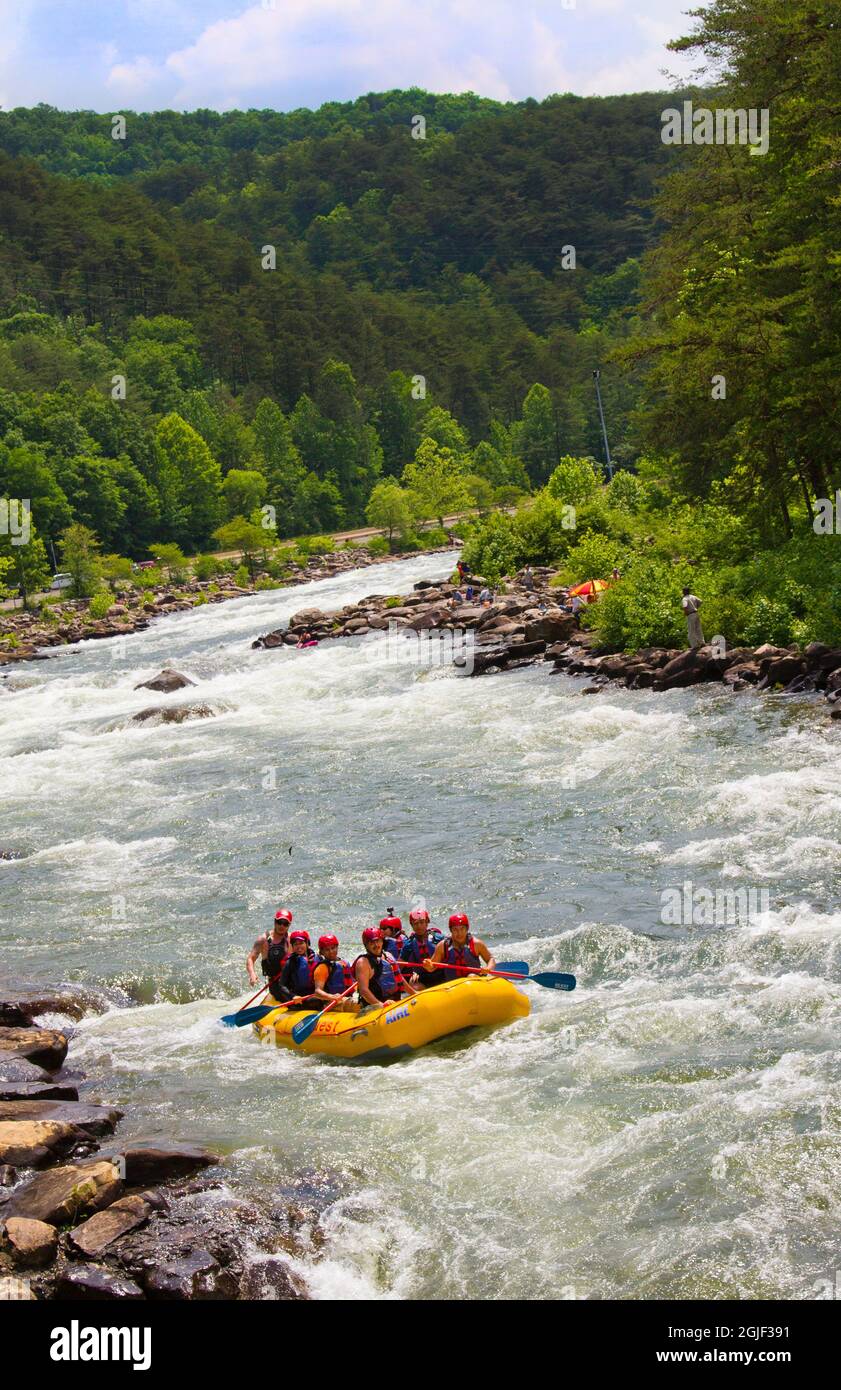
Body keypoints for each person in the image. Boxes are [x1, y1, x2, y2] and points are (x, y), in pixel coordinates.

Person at [423, 913, 496, 984]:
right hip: (454, 986)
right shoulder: (442, 946)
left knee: (471, 976)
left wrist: (488, 968)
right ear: (451, 930)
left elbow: (490, 959)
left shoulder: (476, 944)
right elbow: (432, 967)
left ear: (467, 929)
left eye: (462, 929)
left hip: (474, 981)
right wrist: (428, 965)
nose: (459, 933)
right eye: (455, 929)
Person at [354, 927, 415, 1008]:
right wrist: (381, 1005)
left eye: (378, 941)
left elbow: (400, 980)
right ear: (366, 945)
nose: (376, 945)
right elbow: (363, 991)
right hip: (374, 1007)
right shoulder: (363, 963)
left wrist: (414, 994)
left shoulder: (388, 956)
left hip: (394, 1002)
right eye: (372, 942)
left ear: (382, 941)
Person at [246, 908, 293, 990]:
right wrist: (252, 974)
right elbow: (250, 959)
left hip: (291, 979)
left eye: (285, 924)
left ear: (289, 925)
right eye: (279, 922)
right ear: (275, 922)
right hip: (274, 982)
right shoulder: (263, 940)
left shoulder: (292, 939)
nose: (281, 926)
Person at [399, 907, 443, 989]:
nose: (419, 926)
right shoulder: (409, 944)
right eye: (415, 923)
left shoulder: (439, 939)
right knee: (414, 985)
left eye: (422, 922)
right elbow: (398, 967)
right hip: (422, 977)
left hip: (441, 974)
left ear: (427, 923)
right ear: (412, 925)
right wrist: (412, 973)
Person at [278, 930, 319, 1010]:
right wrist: (293, 996)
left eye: (301, 943)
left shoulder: (318, 959)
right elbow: (282, 985)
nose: (298, 946)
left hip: (315, 994)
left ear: (307, 944)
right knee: (315, 1001)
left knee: (317, 1000)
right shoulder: (290, 963)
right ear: (292, 947)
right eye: (295, 944)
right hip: (298, 998)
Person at [312, 934, 355, 1008]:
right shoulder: (322, 967)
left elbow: (352, 983)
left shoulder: (344, 964)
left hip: (345, 999)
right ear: (321, 952)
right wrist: (332, 997)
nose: (331, 951)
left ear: (337, 947)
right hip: (330, 1002)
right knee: (359, 1004)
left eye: (333, 948)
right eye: (327, 949)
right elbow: (317, 992)